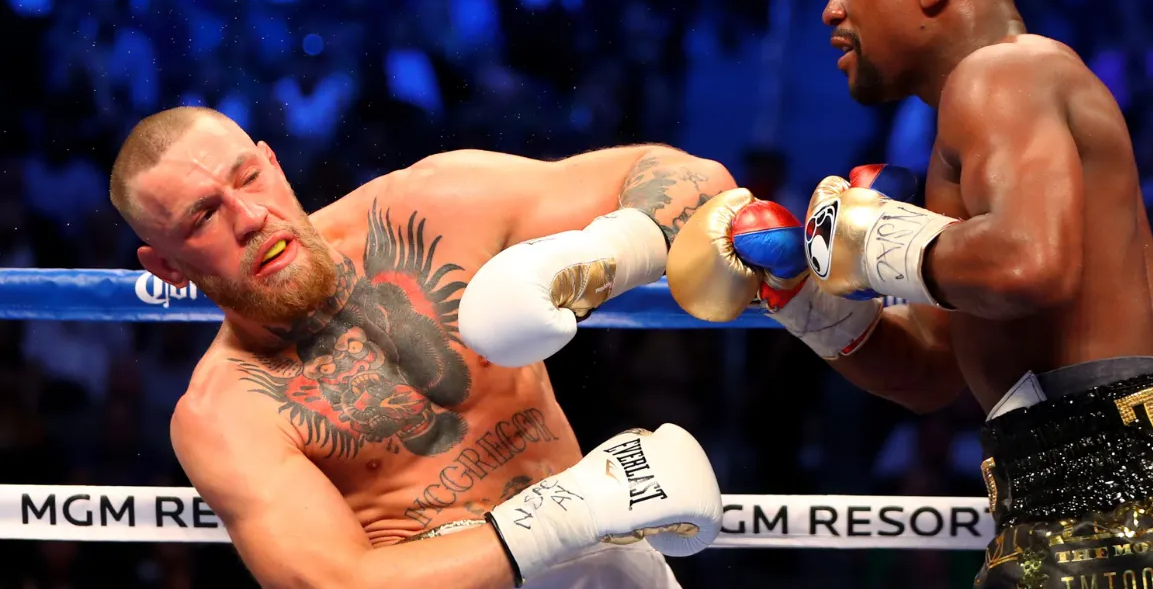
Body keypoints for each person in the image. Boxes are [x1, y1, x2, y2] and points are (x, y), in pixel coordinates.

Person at [664, 0, 1153, 586]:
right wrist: (802, 295)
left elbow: (1030, 265)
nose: (831, 9)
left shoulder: (1002, 74)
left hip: (1114, 506)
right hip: (1129, 495)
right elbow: (928, 371)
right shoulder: (984, 120)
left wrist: (869, 239)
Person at [107, 106, 728, 589]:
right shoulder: (223, 413)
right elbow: (335, 583)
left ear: (273, 162)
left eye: (249, 177)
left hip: (610, 561)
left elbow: (696, 180)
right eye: (203, 217)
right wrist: (576, 509)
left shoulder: (432, 208)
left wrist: (600, 256)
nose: (249, 217)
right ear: (167, 267)